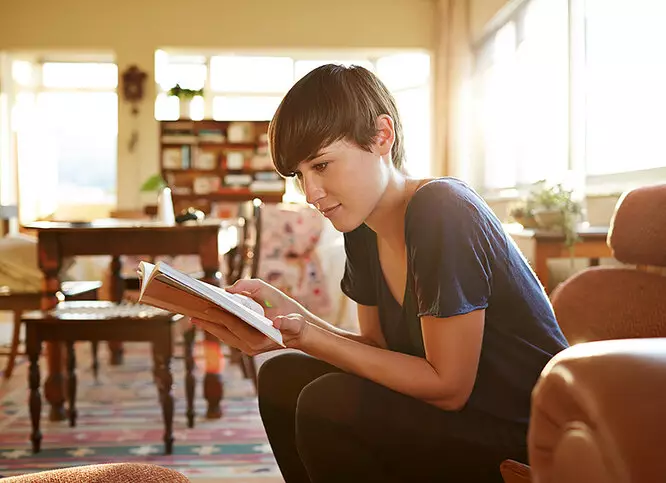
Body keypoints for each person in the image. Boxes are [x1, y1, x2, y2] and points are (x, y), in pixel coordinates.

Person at [191, 64, 569, 483]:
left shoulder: (442, 209)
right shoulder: (362, 227)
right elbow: (376, 348)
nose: (311, 194)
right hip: (461, 419)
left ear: (381, 136)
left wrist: (308, 336)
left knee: (328, 402)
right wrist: (286, 319)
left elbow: (448, 386)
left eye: (322, 165)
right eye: (301, 175)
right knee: (282, 376)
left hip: (524, 436)